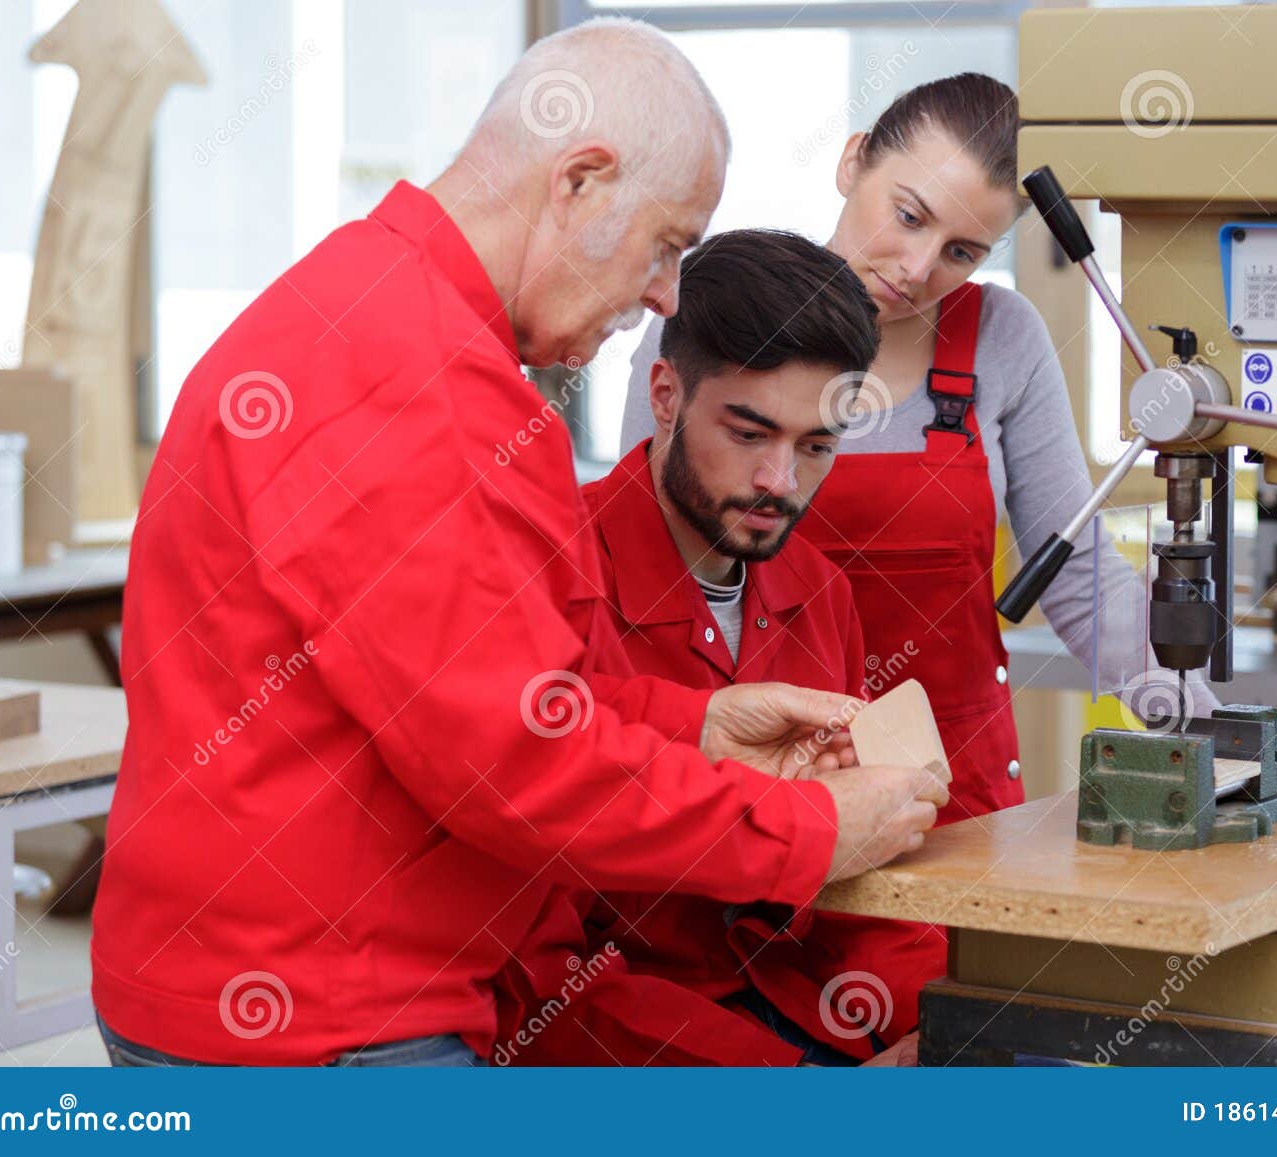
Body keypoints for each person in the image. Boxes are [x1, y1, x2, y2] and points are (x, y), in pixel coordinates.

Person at [90, 18, 945, 1069]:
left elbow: (482, 691)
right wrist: (807, 832)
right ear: (579, 181)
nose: (665, 294)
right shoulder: (425, 389)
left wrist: (697, 724)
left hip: (250, 980)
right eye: (667, 245)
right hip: (329, 1022)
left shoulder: (360, 303)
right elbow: (517, 763)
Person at [621, 73, 1277, 826]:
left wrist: (1219, 737)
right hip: (750, 781)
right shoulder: (713, 314)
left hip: (952, 794)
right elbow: (647, 570)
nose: (917, 268)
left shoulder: (1001, 336)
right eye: (908, 215)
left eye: (961, 250)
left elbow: (1079, 575)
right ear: (853, 160)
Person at [494, 229, 938, 1067]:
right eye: (749, 434)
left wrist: (939, 1028)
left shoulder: (823, 593)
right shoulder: (547, 580)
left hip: (814, 1021)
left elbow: (862, 887)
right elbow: (540, 976)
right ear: (665, 395)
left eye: (817, 446)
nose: (781, 481)